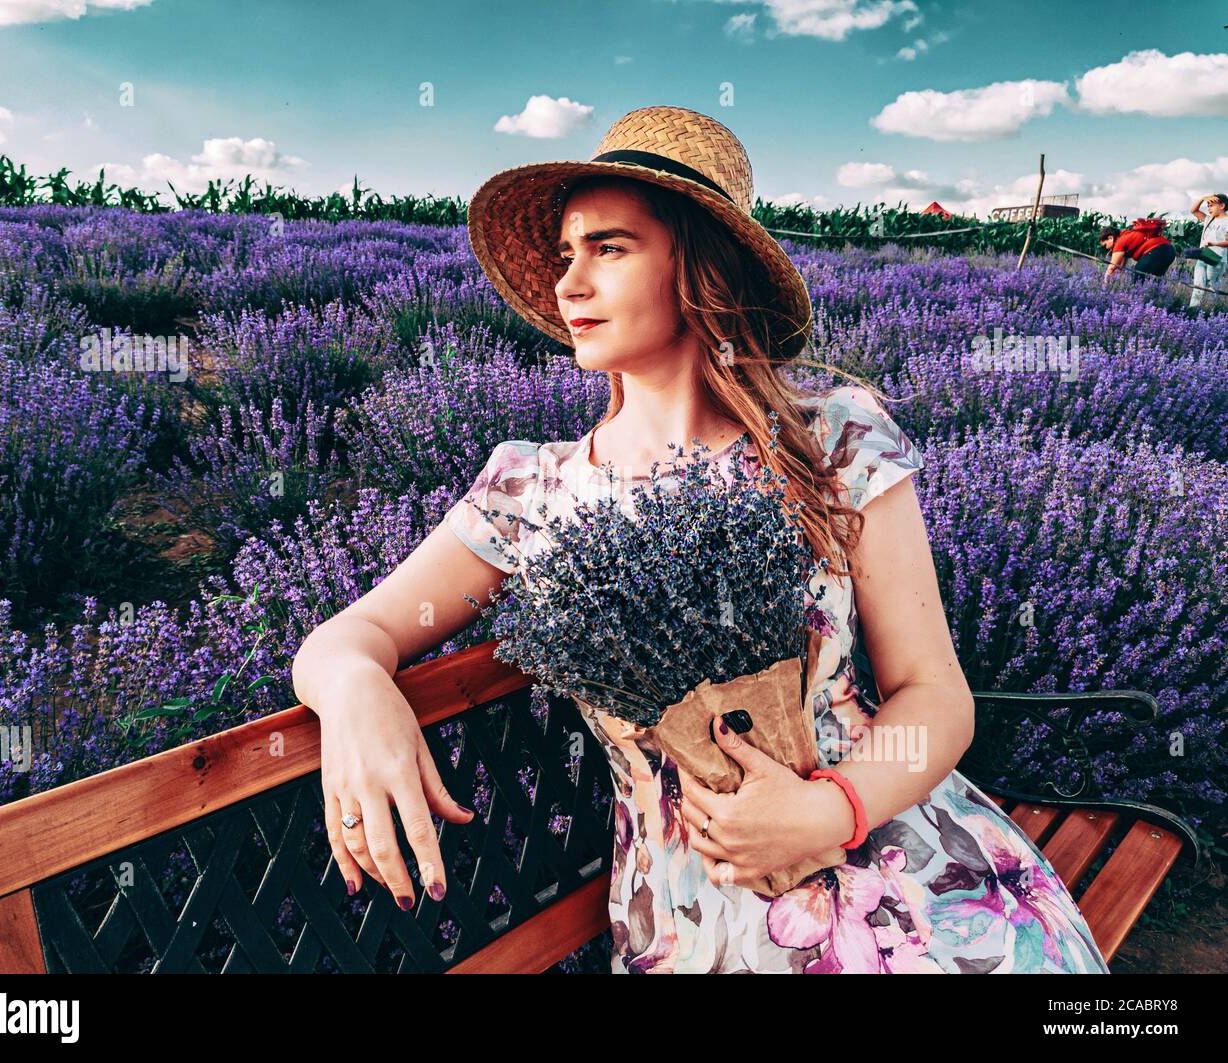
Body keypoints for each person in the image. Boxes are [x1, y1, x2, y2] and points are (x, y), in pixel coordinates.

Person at [292, 105, 1110, 974]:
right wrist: (352, 691)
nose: (569, 283)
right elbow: (350, 636)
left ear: (697, 265)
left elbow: (932, 693)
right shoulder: (530, 489)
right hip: (699, 914)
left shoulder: (830, 437)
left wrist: (831, 808)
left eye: (608, 248)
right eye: (567, 255)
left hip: (900, 861)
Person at [1098, 217, 1175, 283]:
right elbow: (1120, 265)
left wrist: (1105, 283)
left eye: (1105, 244)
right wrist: (1119, 274)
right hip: (1170, 251)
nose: (1106, 248)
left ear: (1110, 238)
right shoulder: (1126, 235)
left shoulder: (1119, 242)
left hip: (1157, 251)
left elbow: (1112, 267)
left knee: (1137, 279)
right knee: (1154, 281)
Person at [1187, 193, 1228, 310]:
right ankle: (1193, 311)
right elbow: (1194, 210)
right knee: (1198, 285)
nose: (1208, 208)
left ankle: (1209, 312)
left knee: (1211, 286)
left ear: (1222, 206)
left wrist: (1214, 244)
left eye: (1211, 205)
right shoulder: (1208, 219)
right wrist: (1202, 198)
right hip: (1204, 256)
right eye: (1207, 205)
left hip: (1217, 258)